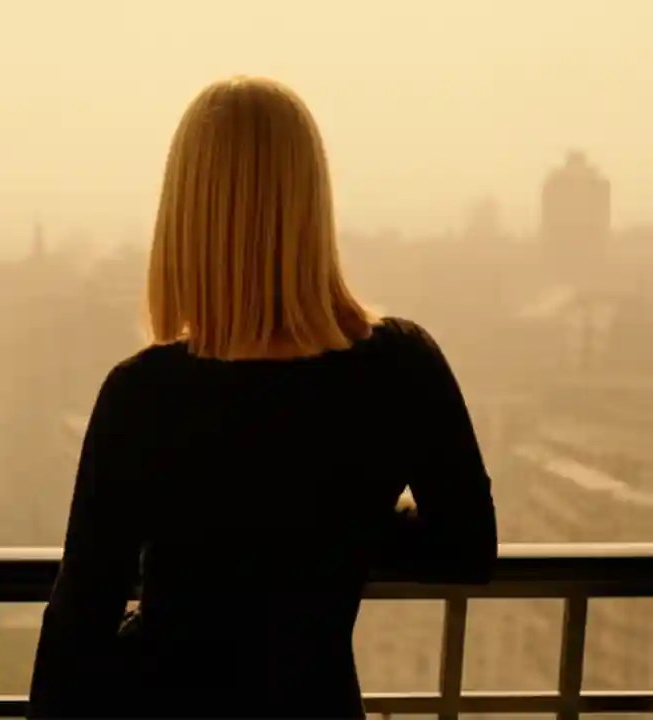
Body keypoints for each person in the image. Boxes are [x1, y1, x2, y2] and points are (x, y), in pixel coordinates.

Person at [27, 76, 498, 719]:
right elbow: (466, 547)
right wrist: (340, 519)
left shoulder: (143, 395)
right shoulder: (400, 366)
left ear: (185, 217)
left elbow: (81, 619)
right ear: (313, 205)